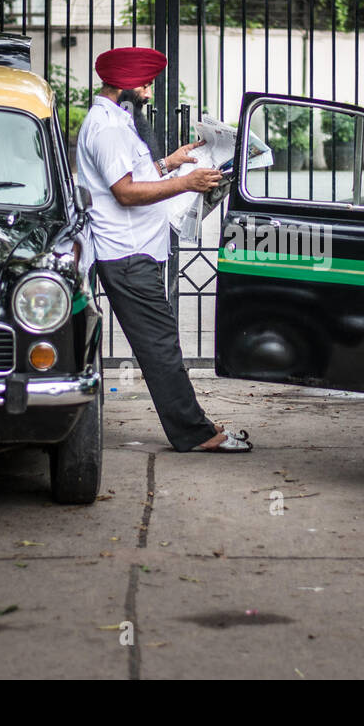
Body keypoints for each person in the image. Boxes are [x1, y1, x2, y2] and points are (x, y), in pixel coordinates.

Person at [76, 47, 252, 452]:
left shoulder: (116, 121)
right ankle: (196, 434)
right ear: (125, 84)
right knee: (160, 347)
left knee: (160, 343)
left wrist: (170, 164)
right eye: (146, 84)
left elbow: (131, 176)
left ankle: (195, 428)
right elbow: (124, 193)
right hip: (127, 255)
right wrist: (187, 183)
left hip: (132, 252)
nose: (149, 93)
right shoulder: (108, 129)